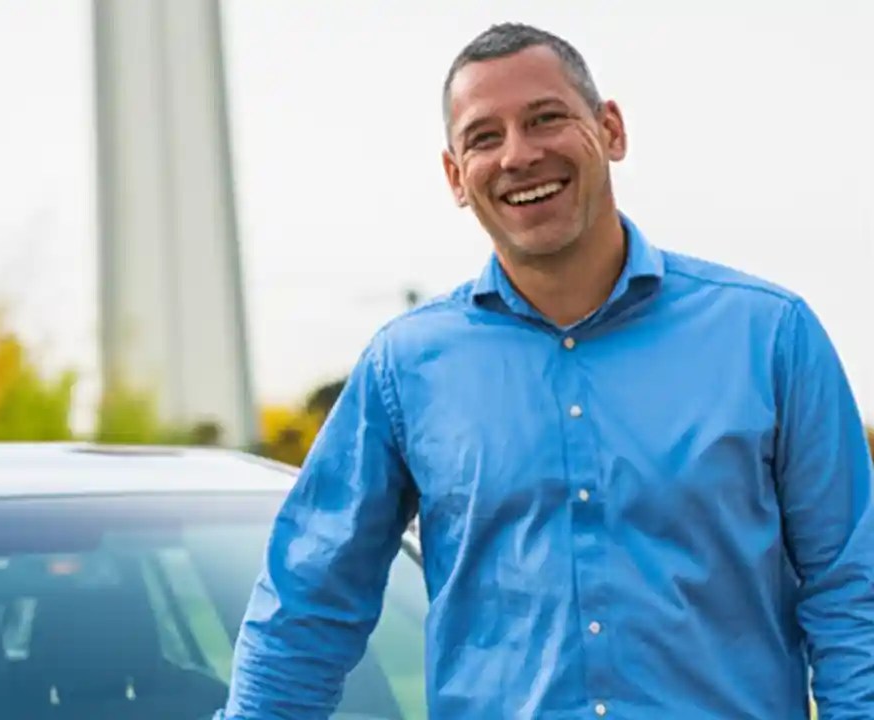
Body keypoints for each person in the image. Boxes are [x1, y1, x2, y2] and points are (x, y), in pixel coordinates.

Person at [218, 21, 874, 719]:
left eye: (546, 119)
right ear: (455, 177)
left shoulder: (769, 336)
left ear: (611, 130)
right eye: (484, 137)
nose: (519, 156)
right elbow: (308, 604)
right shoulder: (405, 370)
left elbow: (851, 591)